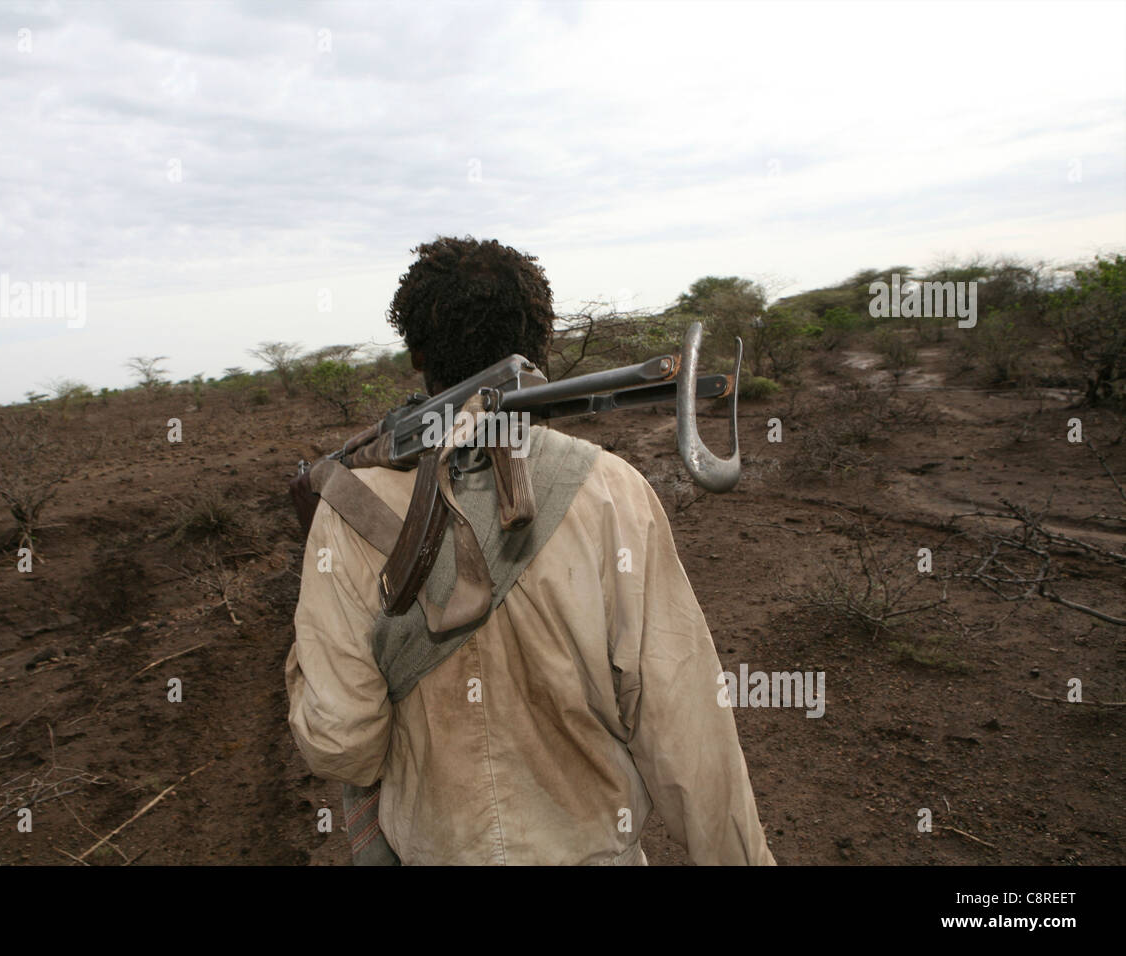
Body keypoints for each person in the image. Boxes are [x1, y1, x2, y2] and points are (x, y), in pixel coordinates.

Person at [286, 236, 775, 866]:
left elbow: (341, 743)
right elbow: (687, 730)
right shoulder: (610, 491)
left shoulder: (344, 514)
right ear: (539, 348)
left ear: (416, 353)